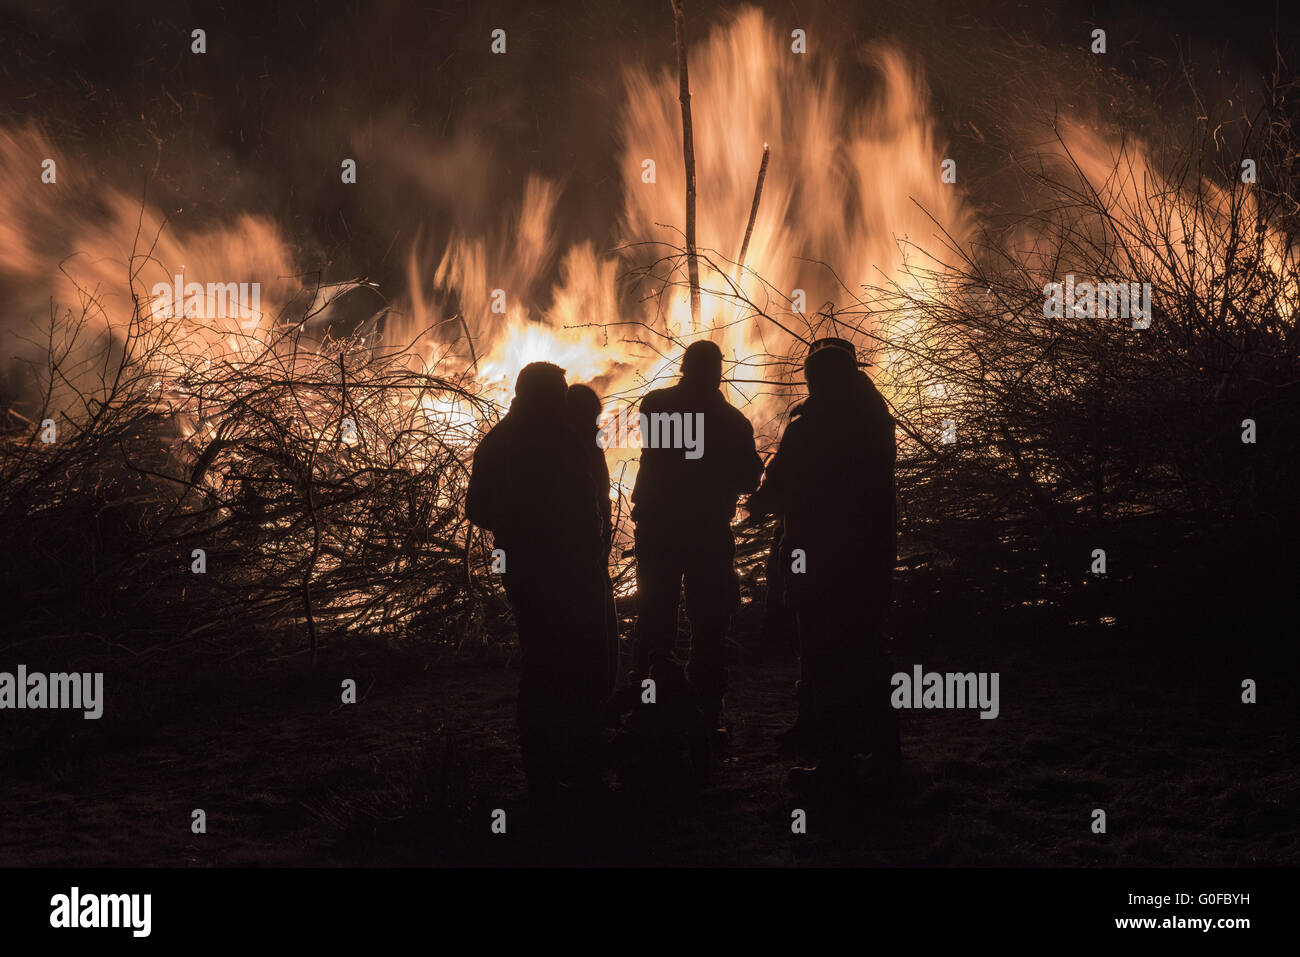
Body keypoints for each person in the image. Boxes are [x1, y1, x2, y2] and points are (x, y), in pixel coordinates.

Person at [746, 337, 901, 794]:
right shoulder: (875, 418)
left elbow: (781, 486)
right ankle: (885, 751)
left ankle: (836, 762)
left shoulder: (811, 425)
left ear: (817, 380)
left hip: (820, 560)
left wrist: (755, 502)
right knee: (869, 651)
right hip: (869, 558)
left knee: (825, 656)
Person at [466, 362, 610, 804]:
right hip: (558, 568)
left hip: (533, 565)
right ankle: (567, 772)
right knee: (570, 662)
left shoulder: (502, 439)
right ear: (542, 395)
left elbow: (476, 508)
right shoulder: (550, 438)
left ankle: (550, 772)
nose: (565, 399)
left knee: (546, 661)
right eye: (559, 392)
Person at [629, 340, 763, 734]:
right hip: (706, 532)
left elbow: (663, 449)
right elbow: (748, 480)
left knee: (654, 615)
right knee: (709, 622)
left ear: (684, 367)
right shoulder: (733, 422)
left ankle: (650, 706)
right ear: (718, 371)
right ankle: (706, 714)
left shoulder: (655, 404)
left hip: (658, 528)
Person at [565, 383, 620, 696]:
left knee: (598, 627)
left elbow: (602, 498)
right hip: (578, 554)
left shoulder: (585, 443)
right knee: (593, 628)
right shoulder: (568, 449)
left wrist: (604, 539)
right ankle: (591, 699)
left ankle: (595, 699)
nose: (594, 426)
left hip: (589, 551)